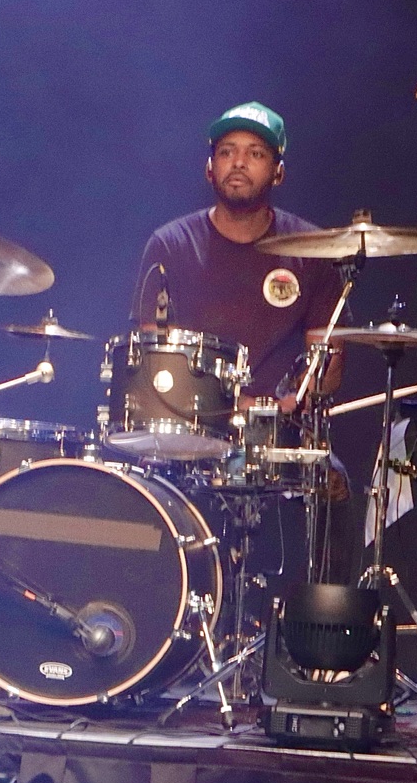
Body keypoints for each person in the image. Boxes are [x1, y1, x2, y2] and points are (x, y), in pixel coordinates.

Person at [131, 102, 359, 578]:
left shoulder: (312, 250)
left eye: (255, 152)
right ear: (208, 167)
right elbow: (150, 360)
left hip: (275, 428)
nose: (238, 161)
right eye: (227, 151)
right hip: (189, 425)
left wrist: (293, 400)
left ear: (277, 172)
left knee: (334, 482)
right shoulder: (171, 244)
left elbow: (330, 363)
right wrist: (218, 407)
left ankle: (317, 643)